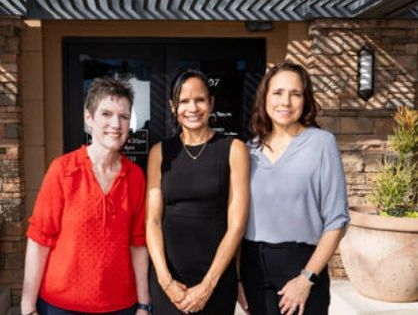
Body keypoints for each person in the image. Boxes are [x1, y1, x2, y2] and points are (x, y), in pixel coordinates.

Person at [20, 77, 151, 315]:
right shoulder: (63, 170)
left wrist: (144, 304)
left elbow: (138, 243)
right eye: (106, 114)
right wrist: (28, 307)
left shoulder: (135, 177)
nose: (116, 124)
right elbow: (40, 239)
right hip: (61, 306)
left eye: (123, 116)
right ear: (89, 118)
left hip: (121, 306)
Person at [239, 62, 349, 315]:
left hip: (302, 265)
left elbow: (337, 221)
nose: (285, 102)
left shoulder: (322, 144)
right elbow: (237, 221)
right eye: (278, 92)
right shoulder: (249, 150)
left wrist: (306, 279)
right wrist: (238, 278)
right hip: (253, 266)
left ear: (305, 99)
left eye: (295, 94)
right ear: (265, 98)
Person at [146, 69, 249, 314]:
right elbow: (152, 221)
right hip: (169, 282)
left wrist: (207, 285)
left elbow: (236, 226)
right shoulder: (160, 152)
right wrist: (165, 281)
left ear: (211, 103)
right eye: (183, 101)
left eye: (200, 100)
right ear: (173, 107)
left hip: (216, 281)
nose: (192, 108)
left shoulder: (234, 149)